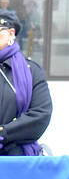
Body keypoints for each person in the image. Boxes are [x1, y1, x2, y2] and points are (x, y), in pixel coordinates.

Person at [0, 13, 51, 155]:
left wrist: (4, 133)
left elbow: (40, 114)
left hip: (17, 157)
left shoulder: (31, 71)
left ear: (11, 33)